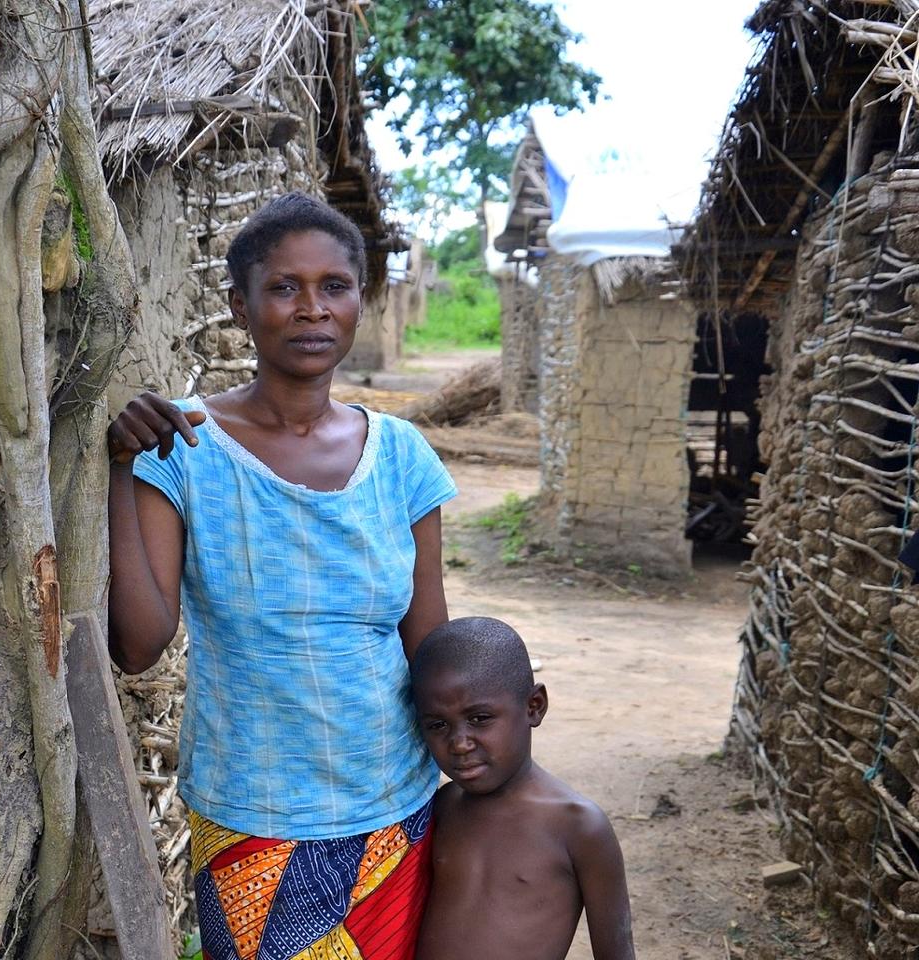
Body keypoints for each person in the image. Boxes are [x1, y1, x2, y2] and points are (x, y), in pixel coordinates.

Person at [107, 192, 457, 958]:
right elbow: (138, 645)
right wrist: (120, 469)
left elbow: (430, 643)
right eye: (284, 288)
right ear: (239, 305)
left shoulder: (401, 458)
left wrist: (494, 758)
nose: (313, 309)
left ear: (361, 301)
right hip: (252, 815)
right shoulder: (183, 448)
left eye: (335, 287)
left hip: (394, 807)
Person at [411, 616, 636, 960]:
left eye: (479, 719)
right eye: (438, 725)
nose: (459, 743)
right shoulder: (444, 806)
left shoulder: (578, 826)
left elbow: (616, 952)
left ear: (534, 706)